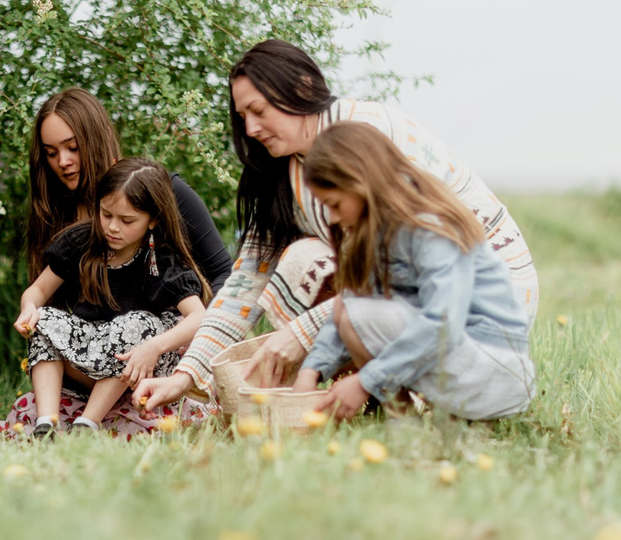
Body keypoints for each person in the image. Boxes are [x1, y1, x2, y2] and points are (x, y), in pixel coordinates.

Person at [134, 39, 538, 412]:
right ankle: (391, 407)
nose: (251, 129)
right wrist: (185, 375)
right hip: (413, 303)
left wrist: (300, 337)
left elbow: (425, 289)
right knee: (334, 282)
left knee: (305, 260)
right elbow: (244, 285)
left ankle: (388, 393)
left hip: (477, 311)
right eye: (243, 118)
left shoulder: (369, 139)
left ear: (304, 86)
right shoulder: (285, 170)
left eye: (259, 111)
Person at [290, 122, 535, 420]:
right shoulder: (380, 232)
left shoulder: (428, 228)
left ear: (360, 183)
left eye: (335, 204)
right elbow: (349, 302)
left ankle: (406, 420)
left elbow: (444, 322)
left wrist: (366, 381)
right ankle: (411, 421)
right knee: (347, 305)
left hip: (497, 374)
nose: (333, 217)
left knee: (355, 311)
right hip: (468, 362)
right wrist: (311, 371)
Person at [13, 158, 211, 436]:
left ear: (153, 219)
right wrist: (29, 309)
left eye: (127, 220)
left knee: (139, 323)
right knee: (45, 318)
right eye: (106, 215)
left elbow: (199, 317)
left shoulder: (161, 259)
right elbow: (38, 290)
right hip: (90, 352)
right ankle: (46, 424)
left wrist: (153, 347)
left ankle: (87, 424)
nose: (112, 227)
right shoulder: (82, 240)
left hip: (140, 363)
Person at [27, 87, 232, 292]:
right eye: (51, 153)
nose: (63, 161)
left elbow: (223, 272)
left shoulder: (164, 191)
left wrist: (203, 322)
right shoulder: (54, 213)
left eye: (73, 148)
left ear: (100, 138)